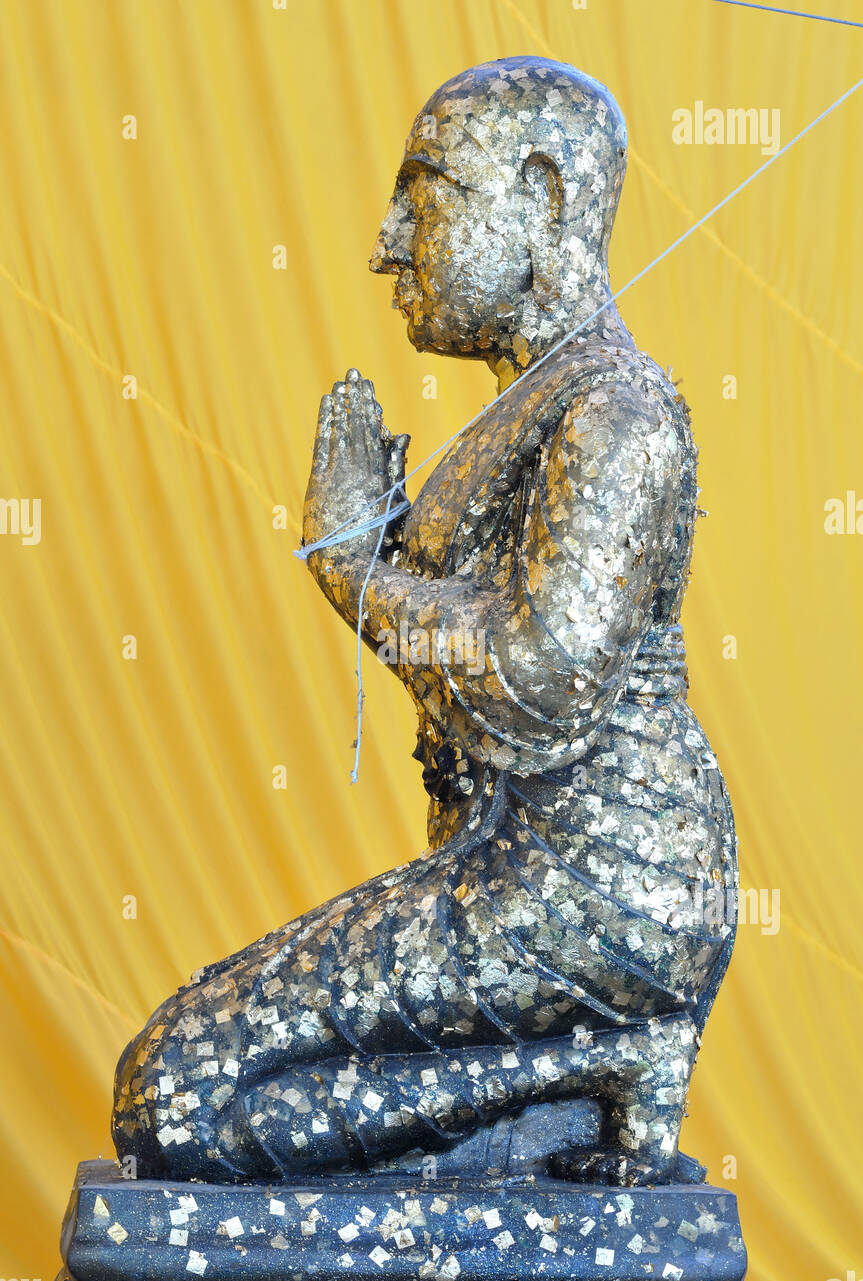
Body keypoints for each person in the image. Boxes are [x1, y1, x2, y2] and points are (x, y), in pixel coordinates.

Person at [113, 57, 737, 1187]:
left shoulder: (617, 414)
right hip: (522, 872)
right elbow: (477, 635)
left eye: (428, 193)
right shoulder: (538, 405)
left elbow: (541, 675)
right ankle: (593, 1064)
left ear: (544, 195)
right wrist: (385, 553)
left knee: (178, 1100)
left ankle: (601, 1053)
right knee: (178, 1097)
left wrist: (359, 572)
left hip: (600, 881)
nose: (387, 243)